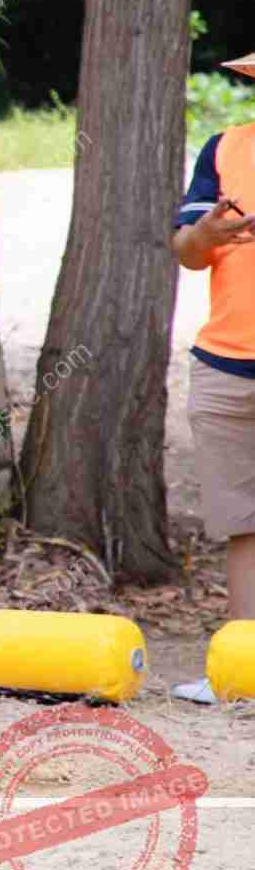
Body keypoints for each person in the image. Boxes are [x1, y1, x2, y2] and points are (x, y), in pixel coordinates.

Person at [167, 49, 255, 705]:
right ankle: (242, 672)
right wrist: (211, 231)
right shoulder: (224, 150)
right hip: (225, 365)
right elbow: (188, 254)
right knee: (242, 524)